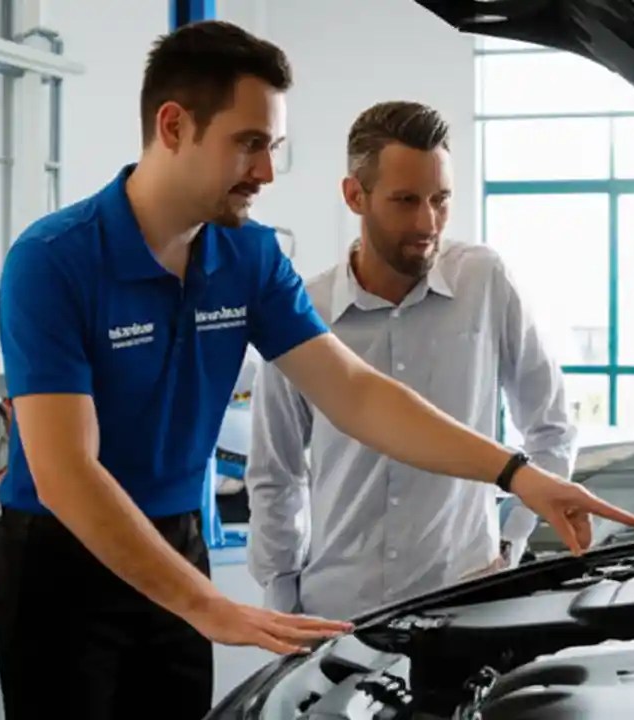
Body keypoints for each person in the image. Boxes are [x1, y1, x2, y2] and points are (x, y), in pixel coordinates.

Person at [0, 20, 634, 720]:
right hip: (61, 557)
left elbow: (358, 394)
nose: (268, 173)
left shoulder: (248, 257)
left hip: (176, 536)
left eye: (272, 147)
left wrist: (517, 475)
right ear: (174, 126)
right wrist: (204, 603)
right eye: (249, 144)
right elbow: (66, 472)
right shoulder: (53, 260)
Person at [245, 101, 578, 620]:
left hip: (465, 597)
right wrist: (282, 598)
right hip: (338, 611)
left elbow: (551, 426)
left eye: (440, 200)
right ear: (355, 195)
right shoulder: (303, 312)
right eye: (405, 201)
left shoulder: (485, 282)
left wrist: (511, 543)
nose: (428, 222)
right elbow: (276, 474)